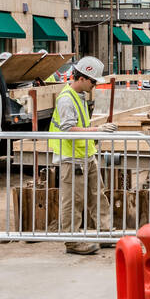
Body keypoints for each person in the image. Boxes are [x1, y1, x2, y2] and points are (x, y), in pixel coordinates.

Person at [50, 56, 117, 255]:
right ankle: (72, 241)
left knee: (98, 196)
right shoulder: (66, 99)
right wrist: (98, 130)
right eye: (93, 81)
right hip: (72, 159)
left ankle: (105, 234)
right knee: (73, 200)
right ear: (83, 78)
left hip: (86, 155)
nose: (94, 85)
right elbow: (68, 129)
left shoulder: (79, 96)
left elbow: (80, 126)